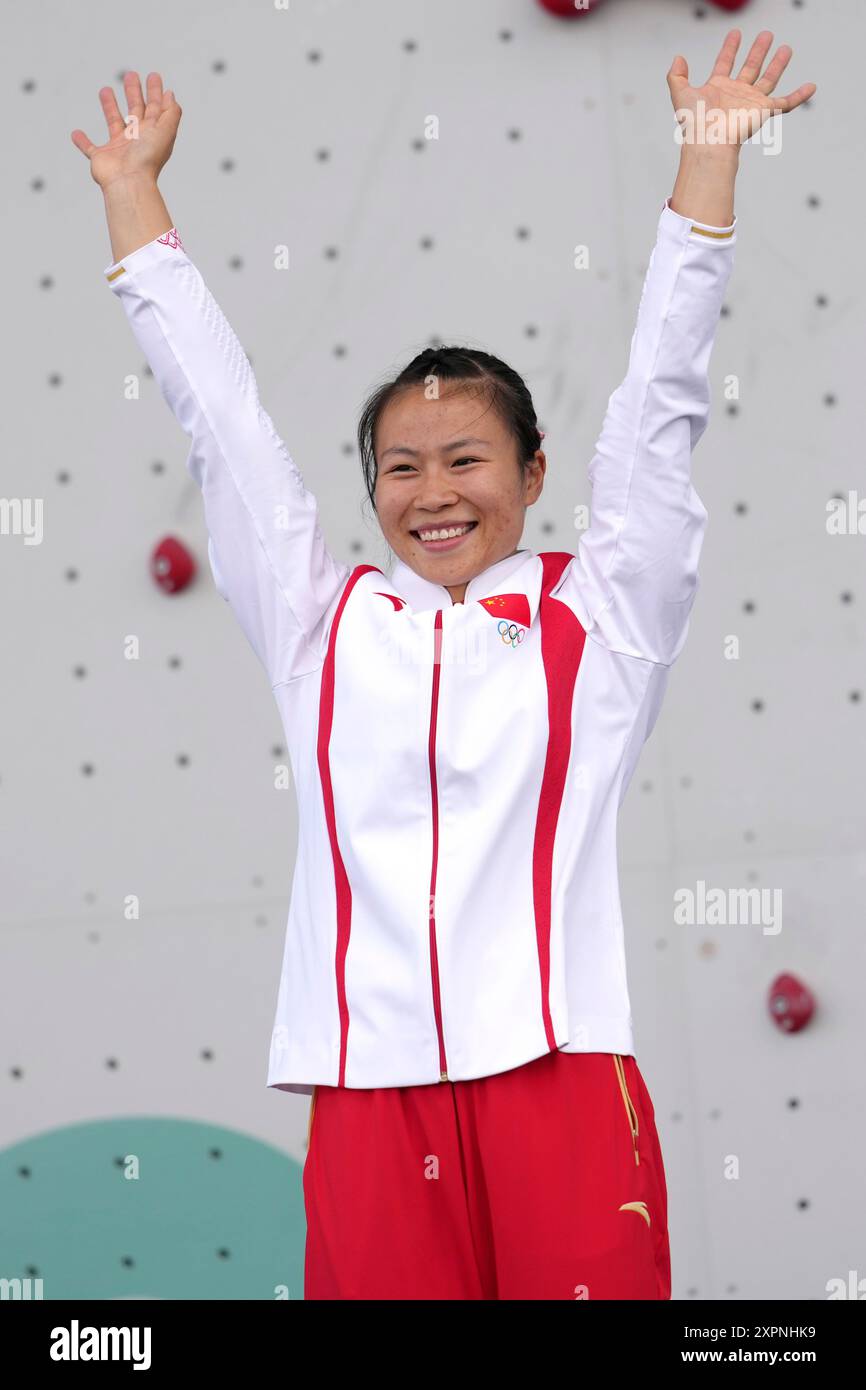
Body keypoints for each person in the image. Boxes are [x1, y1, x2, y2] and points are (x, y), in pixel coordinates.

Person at [73, 29, 815, 1301]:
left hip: (563, 1079)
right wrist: (135, 200)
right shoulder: (320, 622)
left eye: (466, 459)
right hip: (369, 1098)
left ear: (531, 476)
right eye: (401, 468)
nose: (433, 492)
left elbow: (660, 405)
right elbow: (228, 431)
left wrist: (705, 169)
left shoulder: (602, 613)